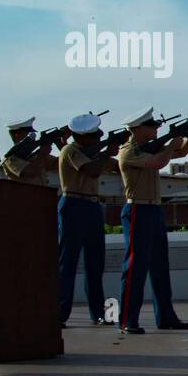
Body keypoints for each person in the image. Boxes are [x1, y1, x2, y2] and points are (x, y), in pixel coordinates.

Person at [115, 107, 188, 334]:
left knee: (160, 266)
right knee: (135, 267)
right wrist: (170, 144)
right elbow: (159, 162)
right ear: (137, 129)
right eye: (151, 127)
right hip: (138, 208)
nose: (156, 130)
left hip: (153, 209)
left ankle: (166, 316)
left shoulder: (149, 148)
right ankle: (128, 319)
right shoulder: (128, 151)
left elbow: (180, 153)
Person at [57, 114, 119, 326]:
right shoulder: (71, 151)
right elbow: (91, 171)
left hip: (92, 205)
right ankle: (60, 313)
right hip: (74, 204)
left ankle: (98, 312)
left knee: (95, 263)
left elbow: (113, 166)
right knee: (68, 263)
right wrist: (106, 154)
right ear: (81, 137)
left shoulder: (90, 152)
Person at [2, 117, 63, 185]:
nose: (33, 138)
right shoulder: (10, 158)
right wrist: (41, 154)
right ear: (17, 135)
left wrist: (63, 145)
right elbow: (29, 173)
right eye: (29, 135)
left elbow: (61, 164)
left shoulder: (35, 156)